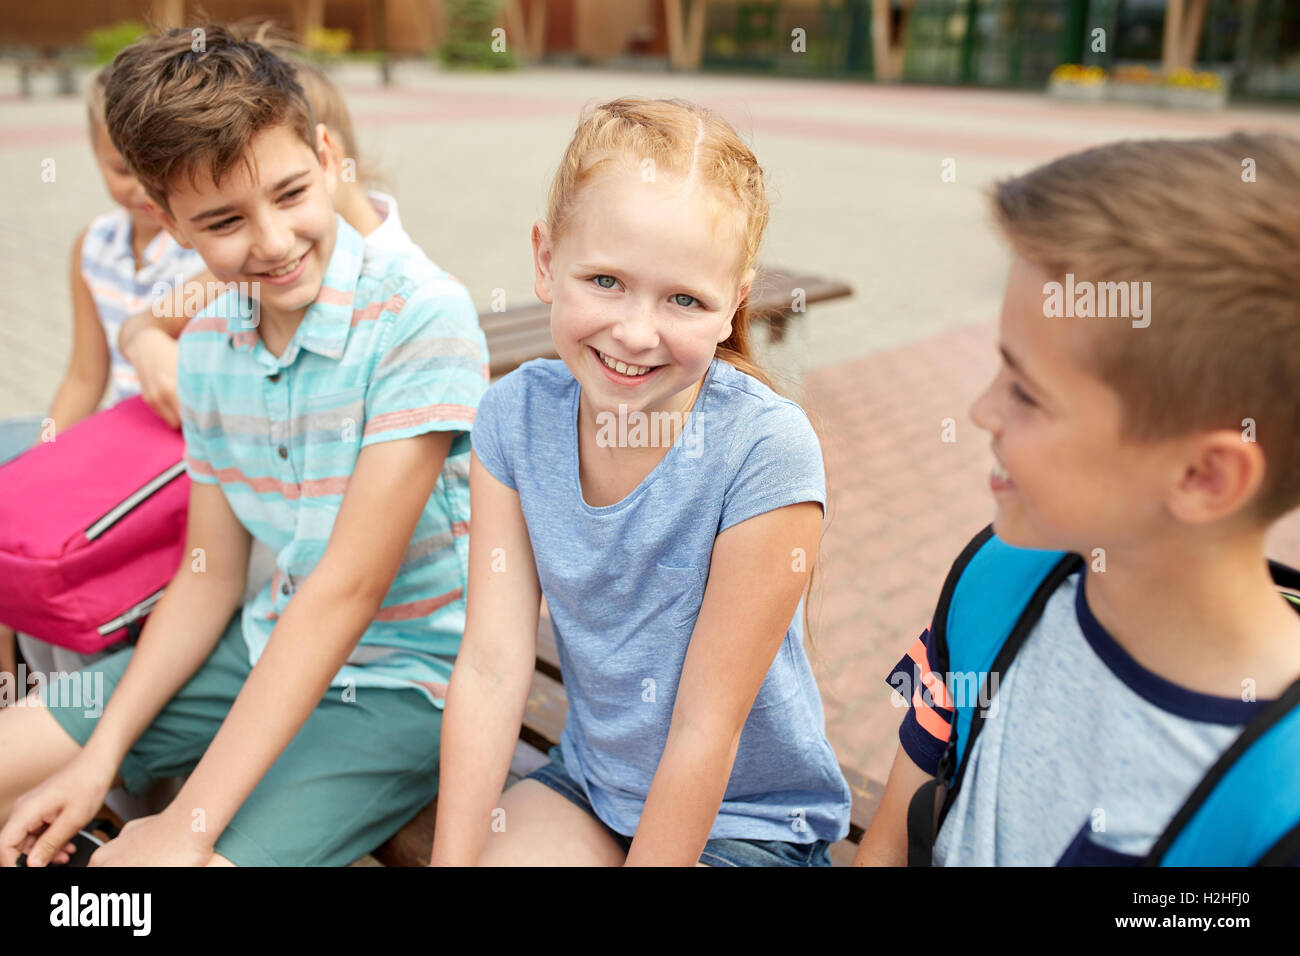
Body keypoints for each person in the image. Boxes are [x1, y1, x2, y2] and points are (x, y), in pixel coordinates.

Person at [0, 25, 488, 867]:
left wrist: (186, 826)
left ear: (330, 155)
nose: (270, 241)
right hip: (259, 640)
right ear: (170, 224)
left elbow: (347, 589)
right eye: (223, 220)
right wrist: (103, 755)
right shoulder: (208, 345)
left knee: (144, 886)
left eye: (292, 192)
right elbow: (210, 576)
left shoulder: (420, 318)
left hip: (406, 680)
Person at [854, 133, 1300, 866]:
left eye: (1026, 392)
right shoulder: (993, 582)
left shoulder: (1276, 806)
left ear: (1203, 478)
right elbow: (889, 847)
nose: (981, 410)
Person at [431, 97, 851, 867]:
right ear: (545, 259)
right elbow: (492, 666)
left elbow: (704, 727)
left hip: (744, 818)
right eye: (606, 280)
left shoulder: (765, 449)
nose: (634, 332)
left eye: (684, 299)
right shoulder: (512, 418)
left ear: (734, 305)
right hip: (594, 785)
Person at [0, 65, 207, 690]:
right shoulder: (93, 246)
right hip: (111, 443)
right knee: (14, 522)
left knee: (66, 560)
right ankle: (18, 705)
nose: (143, 189)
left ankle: (70, 714)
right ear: (93, 154)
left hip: (177, 453)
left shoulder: (209, 248)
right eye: (121, 170)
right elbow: (84, 375)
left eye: (155, 172)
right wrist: (43, 461)